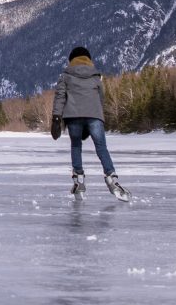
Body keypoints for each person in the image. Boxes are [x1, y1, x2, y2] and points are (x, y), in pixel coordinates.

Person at [52, 45, 127, 199]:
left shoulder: (65, 76)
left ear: (72, 60)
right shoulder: (95, 76)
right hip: (94, 116)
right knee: (101, 147)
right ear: (88, 59)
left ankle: (79, 179)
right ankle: (111, 177)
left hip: (73, 116)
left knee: (76, 146)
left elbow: (60, 97)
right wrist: (96, 115)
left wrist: (56, 118)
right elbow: (101, 98)